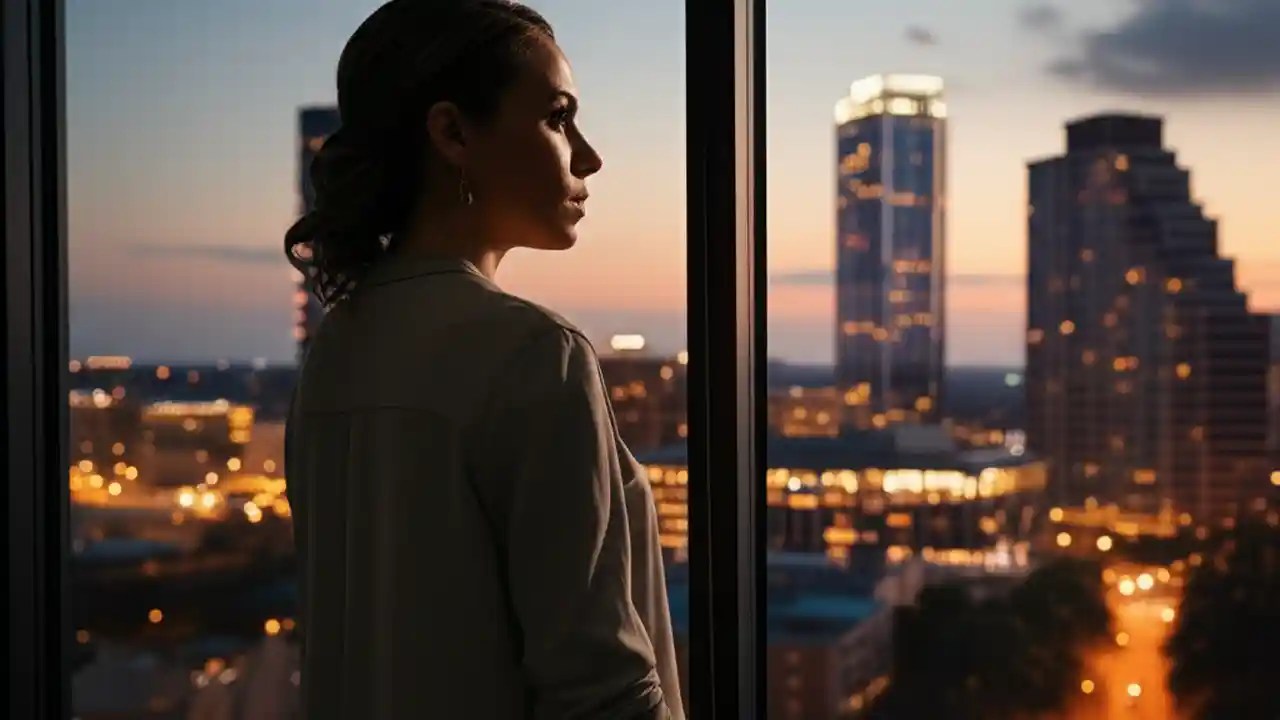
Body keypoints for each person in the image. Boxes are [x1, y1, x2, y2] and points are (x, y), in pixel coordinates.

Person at [282, 1, 684, 718]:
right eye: (558, 117)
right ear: (453, 132)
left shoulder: (337, 348)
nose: (588, 156)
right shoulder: (534, 354)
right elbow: (601, 687)